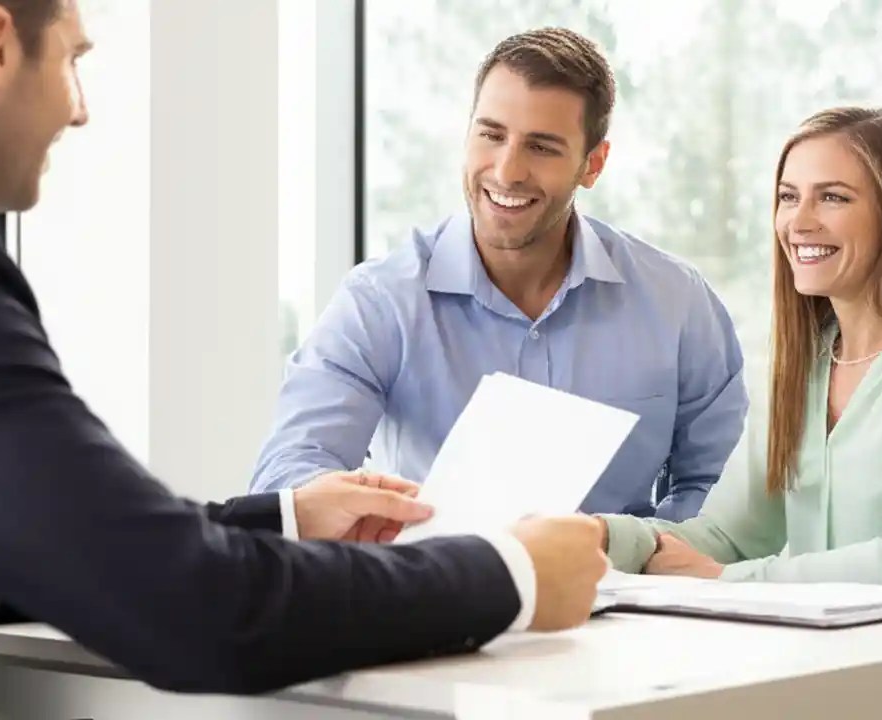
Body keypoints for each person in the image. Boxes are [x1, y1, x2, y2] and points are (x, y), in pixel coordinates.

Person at [0, 2, 607, 717]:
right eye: (72, 61)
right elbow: (190, 606)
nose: (79, 108)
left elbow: (32, 537)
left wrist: (286, 520)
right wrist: (510, 574)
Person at [251, 27, 747, 521]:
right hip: (436, 588)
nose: (507, 171)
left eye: (542, 147)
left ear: (592, 164)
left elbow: (722, 489)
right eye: (491, 135)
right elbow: (292, 473)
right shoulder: (379, 301)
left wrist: (641, 551)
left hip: (623, 589)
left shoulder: (676, 302)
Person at [595, 107, 882, 605]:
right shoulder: (803, 364)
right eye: (788, 197)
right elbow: (729, 537)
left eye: (832, 197)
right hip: (831, 659)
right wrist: (604, 537)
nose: (798, 222)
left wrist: (721, 581)